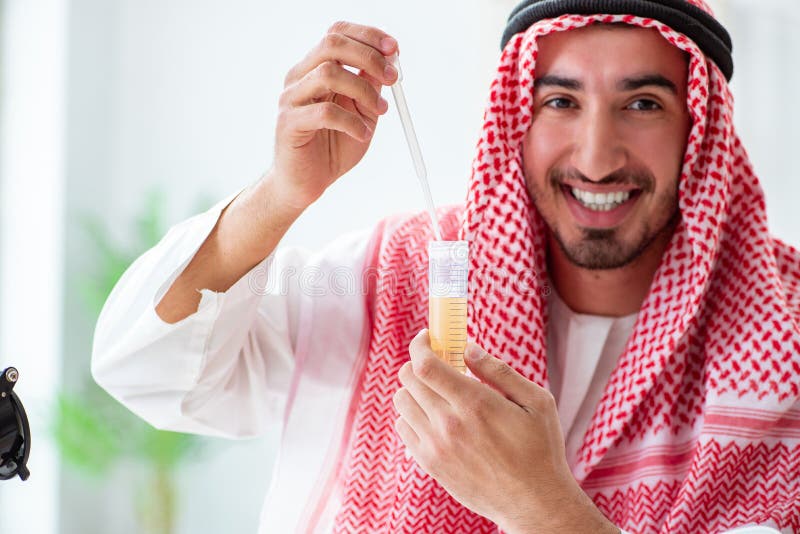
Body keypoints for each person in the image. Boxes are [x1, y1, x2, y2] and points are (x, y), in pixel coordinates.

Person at [91, 0, 800, 532]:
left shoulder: (784, 333)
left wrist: (542, 507)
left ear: (701, 130)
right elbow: (145, 369)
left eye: (642, 103)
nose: (595, 155)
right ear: (518, 115)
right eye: (561, 101)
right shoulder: (393, 279)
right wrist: (281, 194)